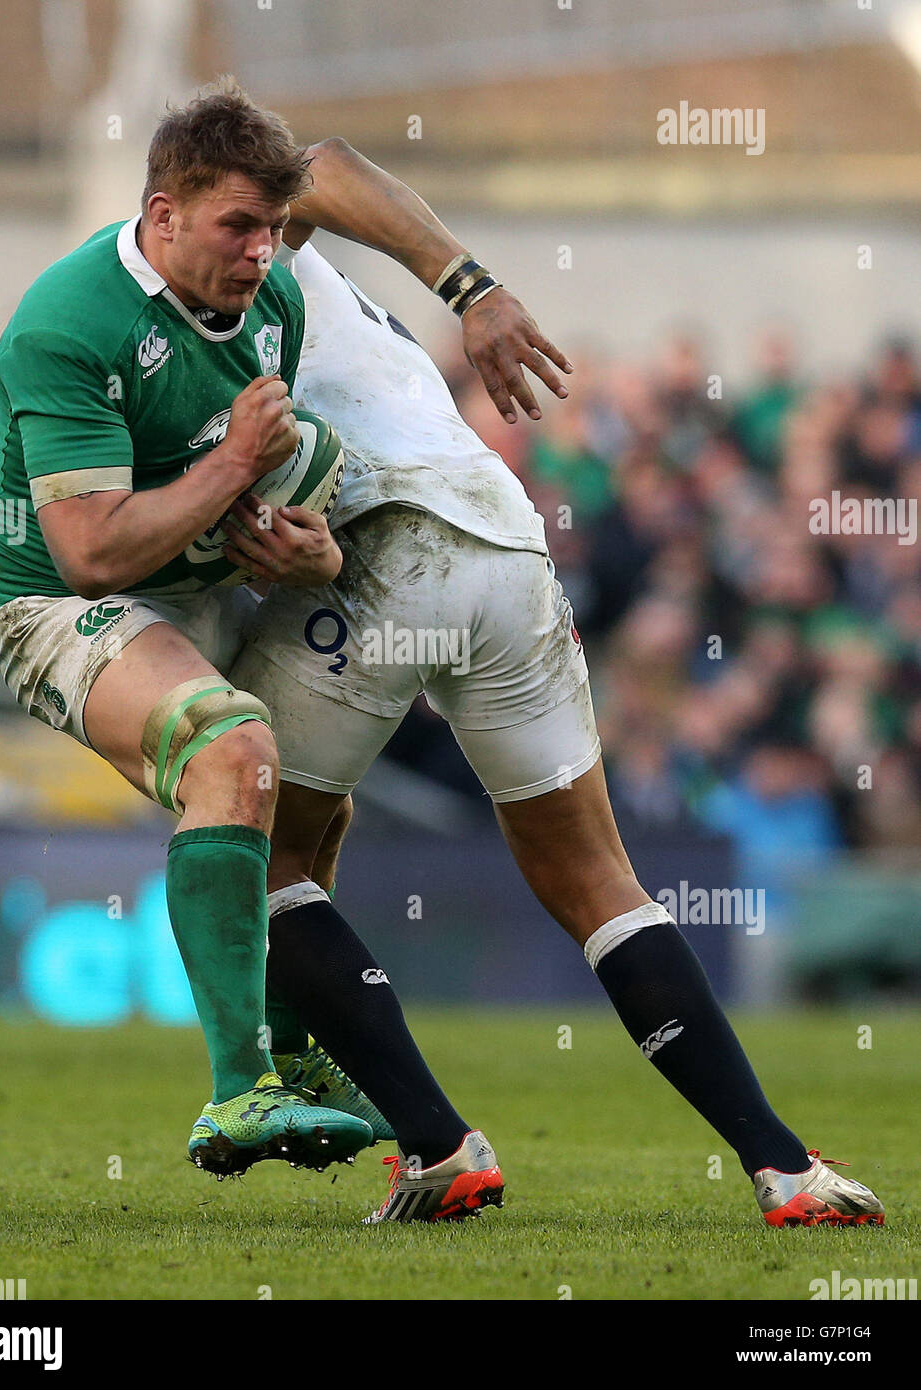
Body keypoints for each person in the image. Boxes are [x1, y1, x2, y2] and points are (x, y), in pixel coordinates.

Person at [223, 136, 885, 1229]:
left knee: (256, 859)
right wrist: (469, 288)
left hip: (384, 552)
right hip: (506, 543)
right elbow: (323, 167)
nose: (251, 237)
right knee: (595, 880)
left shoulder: (211, 275)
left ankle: (438, 1146)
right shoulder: (285, 258)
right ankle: (782, 1165)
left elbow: (317, 165)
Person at [0, 83, 380, 1176]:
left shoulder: (276, 310)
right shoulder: (69, 321)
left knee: (312, 792)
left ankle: (298, 1057)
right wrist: (235, 468)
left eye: (272, 229)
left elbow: (266, 500)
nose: (263, 252)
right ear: (162, 217)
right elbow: (92, 552)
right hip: (61, 605)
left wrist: (313, 553)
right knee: (231, 745)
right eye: (237, 227)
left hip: (199, 591)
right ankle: (235, 1089)